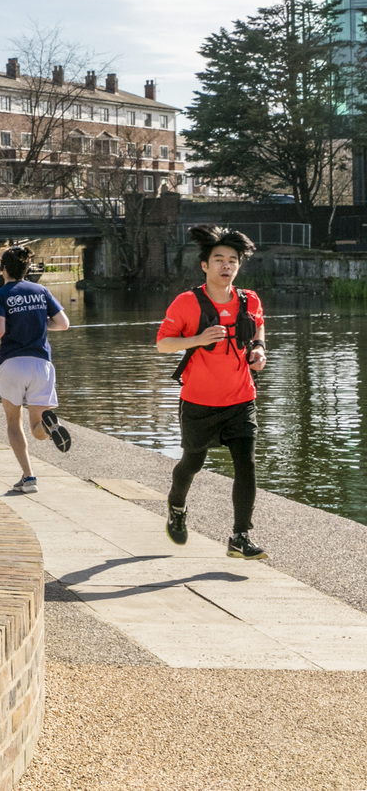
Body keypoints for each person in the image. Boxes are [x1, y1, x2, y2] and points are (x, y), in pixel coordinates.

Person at [156, 225, 268, 560]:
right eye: (218, 259)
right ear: (205, 265)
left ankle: (240, 536)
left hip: (241, 399)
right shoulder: (187, 302)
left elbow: (258, 323)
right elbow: (163, 344)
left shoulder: (249, 299)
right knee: (193, 462)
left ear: (238, 265)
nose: (226, 265)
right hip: (199, 403)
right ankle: (177, 506)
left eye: (232, 260)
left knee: (246, 465)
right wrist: (198, 340)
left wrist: (259, 348)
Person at [0, 244, 72, 494]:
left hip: (13, 363)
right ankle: (49, 425)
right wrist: (39, 324)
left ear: (3, 269)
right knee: (37, 430)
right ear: (27, 268)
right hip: (41, 364)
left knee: (14, 422)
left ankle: (29, 476)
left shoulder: (0, 295)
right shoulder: (41, 291)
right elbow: (63, 324)